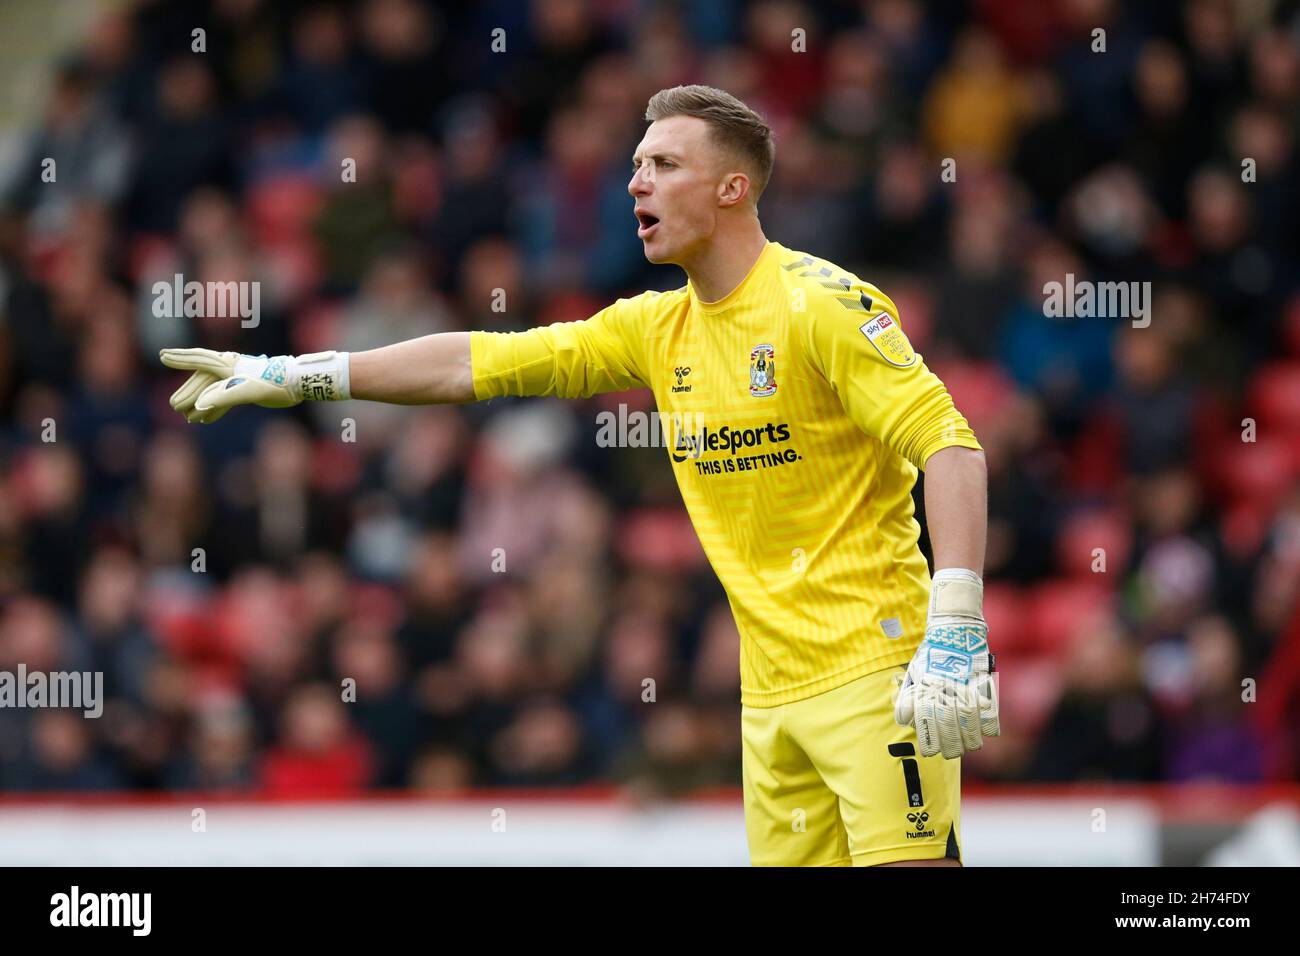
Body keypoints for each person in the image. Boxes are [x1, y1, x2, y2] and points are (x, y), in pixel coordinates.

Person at [161, 85, 998, 867]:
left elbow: (950, 445)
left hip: (878, 676)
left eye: (665, 164)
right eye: (636, 164)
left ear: (733, 189)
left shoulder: (822, 306)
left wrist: (955, 622)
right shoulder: (654, 327)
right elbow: (475, 364)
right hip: (769, 699)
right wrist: (298, 374)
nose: (637, 180)